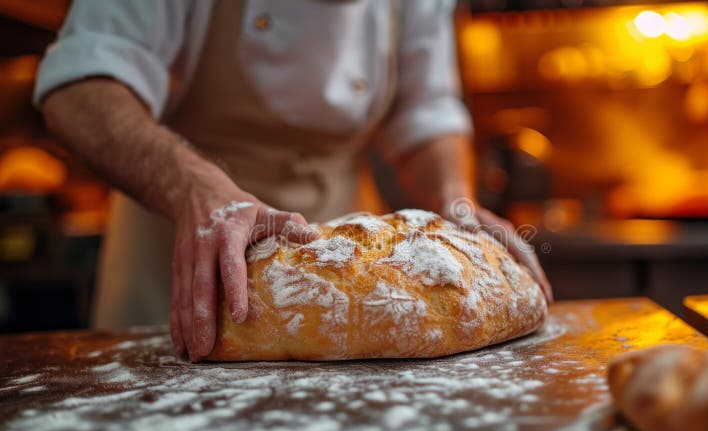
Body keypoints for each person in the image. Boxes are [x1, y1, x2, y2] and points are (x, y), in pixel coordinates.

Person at [35, 0, 552, 361]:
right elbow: (80, 87)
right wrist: (197, 189)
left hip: (358, 274)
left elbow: (425, 112)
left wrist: (453, 201)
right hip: (188, 263)